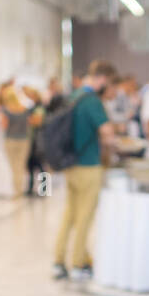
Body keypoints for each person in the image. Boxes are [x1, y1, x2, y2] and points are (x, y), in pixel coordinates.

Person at [53, 60, 116, 281]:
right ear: (102, 78)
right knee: (85, 218)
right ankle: (79, 263)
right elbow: (107, 132)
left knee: (69, 215)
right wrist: (114, 141)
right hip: (89, 166)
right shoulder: (92, 102)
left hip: (70, 164)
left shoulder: (74, 96)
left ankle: (58, 260)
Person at [0, 82, 33, 199]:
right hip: (24, 140)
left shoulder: (6, 111)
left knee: (13, 166)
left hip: (10, 140)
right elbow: (30, 123)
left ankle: (17, 191)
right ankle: (20, 189)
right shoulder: (25, 109)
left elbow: (4, 125)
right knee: (20, 166)